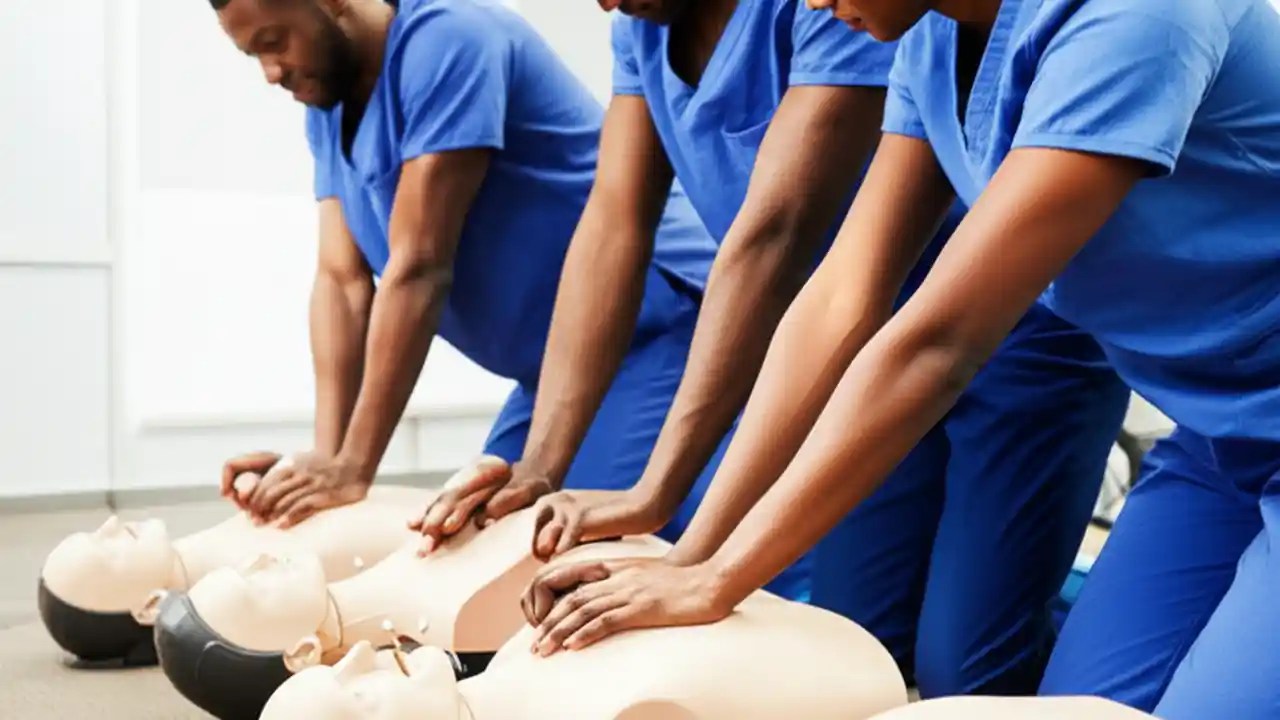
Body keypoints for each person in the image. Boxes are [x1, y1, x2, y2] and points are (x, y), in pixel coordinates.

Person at [522, 0, 1280, 717]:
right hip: (1218, 445)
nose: (806, 3)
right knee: (1074, 705)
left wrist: (718, 579)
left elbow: (939, 341)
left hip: (1232, 410)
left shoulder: (1133, 16)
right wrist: (693, 555)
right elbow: (838, 299)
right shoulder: (931, 40)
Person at [423, 0, 1129, 695]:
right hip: (869, 360)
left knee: (965, 669)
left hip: (1011, 340)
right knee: (855, 643)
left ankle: (1077, 571)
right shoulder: (644, 31)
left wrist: (677, 524)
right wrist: (570, 478)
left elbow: (775, 239)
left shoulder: (844, 15)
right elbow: (613, 222)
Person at [205, 0, 721, 535]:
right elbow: (341, 281)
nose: (271, 73)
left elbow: (419, 268)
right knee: (468, 534)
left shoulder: (450, 40)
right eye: (253, 56)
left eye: (274, 43)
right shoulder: (328, 106)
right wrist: (327, 457)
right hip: (555, 370)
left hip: (659, 327)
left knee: (556, 543)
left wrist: (354, 465)